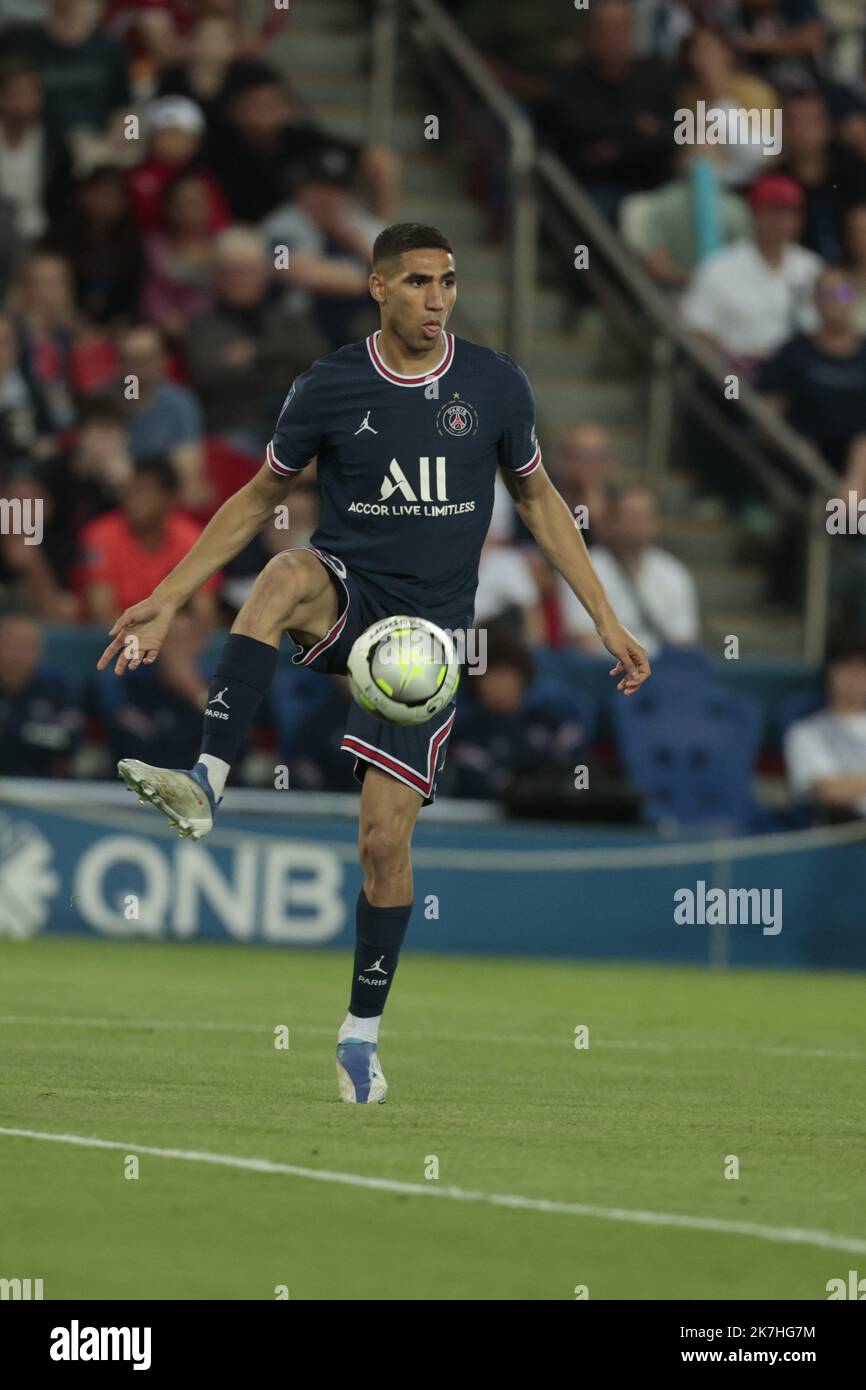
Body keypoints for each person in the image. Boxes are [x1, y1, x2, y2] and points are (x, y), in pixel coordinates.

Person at [95, 222, 651, 1105]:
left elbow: (540, 501)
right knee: (281, 570)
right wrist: (167, 595)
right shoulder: (330, 384)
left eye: (450, 282)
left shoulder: (495, 384)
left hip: (424, 643)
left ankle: (361, 1034)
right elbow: (257, 498)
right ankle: (206, 774)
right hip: (350, 591)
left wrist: (608, 618)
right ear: (378, 287)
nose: (439, 299)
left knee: (382, 844)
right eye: (422, 282)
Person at [680, 172, 823, 376]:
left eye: (788, 213)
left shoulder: (812, 267)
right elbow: (697, 330)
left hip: (801, 376)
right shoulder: (719, 267)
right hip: (737, 375)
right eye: (772, 211)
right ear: (754, 214)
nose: (780, 221)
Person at [560, 486, 701, 657]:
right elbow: (582, 638)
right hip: (605, 668)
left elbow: (685, 640)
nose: (639, 525)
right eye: (632, 517)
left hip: (663, 668)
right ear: (612, 522)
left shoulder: (673, 572)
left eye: (646, 517)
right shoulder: (584, 568)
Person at [79, 454, 219, 626]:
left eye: (143, 491)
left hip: (173, 637)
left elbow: (205, 613)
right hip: (113, 640)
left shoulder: (194, 539)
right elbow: (101, 610)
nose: (133, 500)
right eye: (130, 490)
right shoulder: (100, 535)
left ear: (169, 499)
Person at [757, 266, 866, 477]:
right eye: (827, 293)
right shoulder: (794, 351)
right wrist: (791, 445)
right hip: (804, 460)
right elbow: (767, 413)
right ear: (815, 301)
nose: (835, 300)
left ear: (856, 298)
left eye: (843, 293)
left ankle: (850, 501)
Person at [784, 640, 866, 821]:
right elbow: (826, 790)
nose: (857, 676)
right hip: (849, 831)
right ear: (830, 672)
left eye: (863, 668)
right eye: (848, 667)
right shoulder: (805, 733)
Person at [0, 612, 81, 777]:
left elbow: (69, 741)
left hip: (42, 786)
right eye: (9, 645)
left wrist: (13, 729)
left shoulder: (58, 687)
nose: (15, 655)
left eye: (25, 648)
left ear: (40, 654)